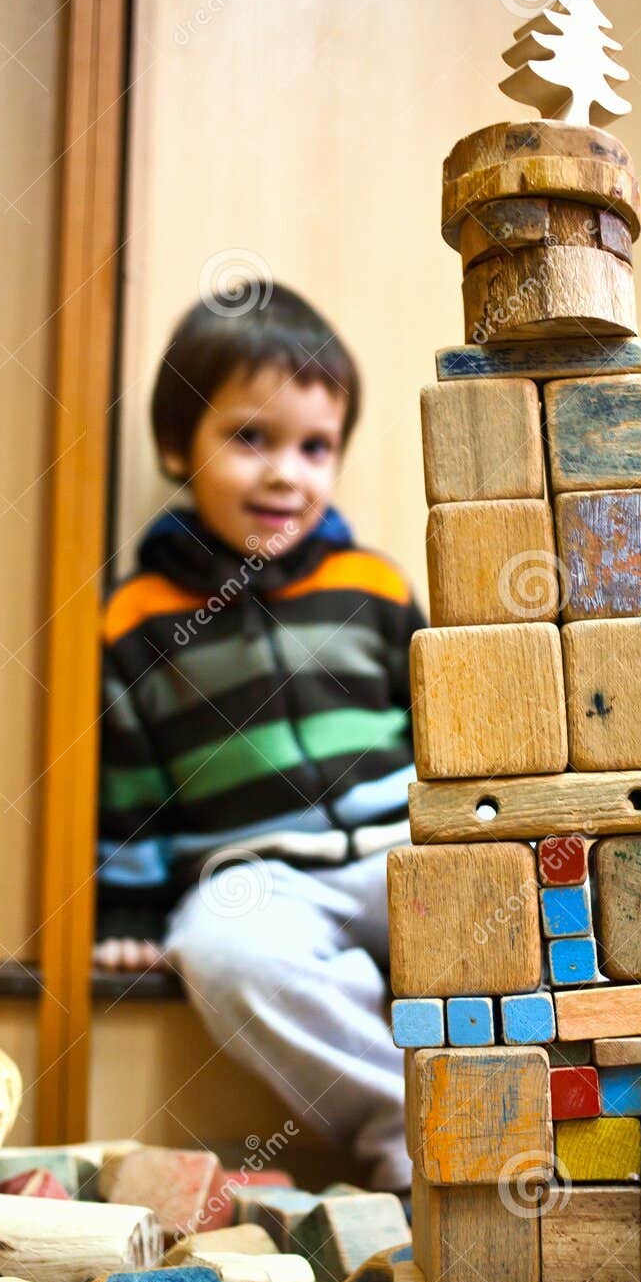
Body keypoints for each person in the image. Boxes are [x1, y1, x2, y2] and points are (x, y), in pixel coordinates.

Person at [93, 284, 423, 1191]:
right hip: (257, 875)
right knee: (223, 952)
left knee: (534, 906)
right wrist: (125, 909)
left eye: (315, 447)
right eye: (251, 439)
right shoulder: (139, 617)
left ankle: (570, 1111)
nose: (287, 474)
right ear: (177, 448)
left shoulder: (374, 585)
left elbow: (447, 722)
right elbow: (129, 779)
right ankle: (418, 1128)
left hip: (407, 846)